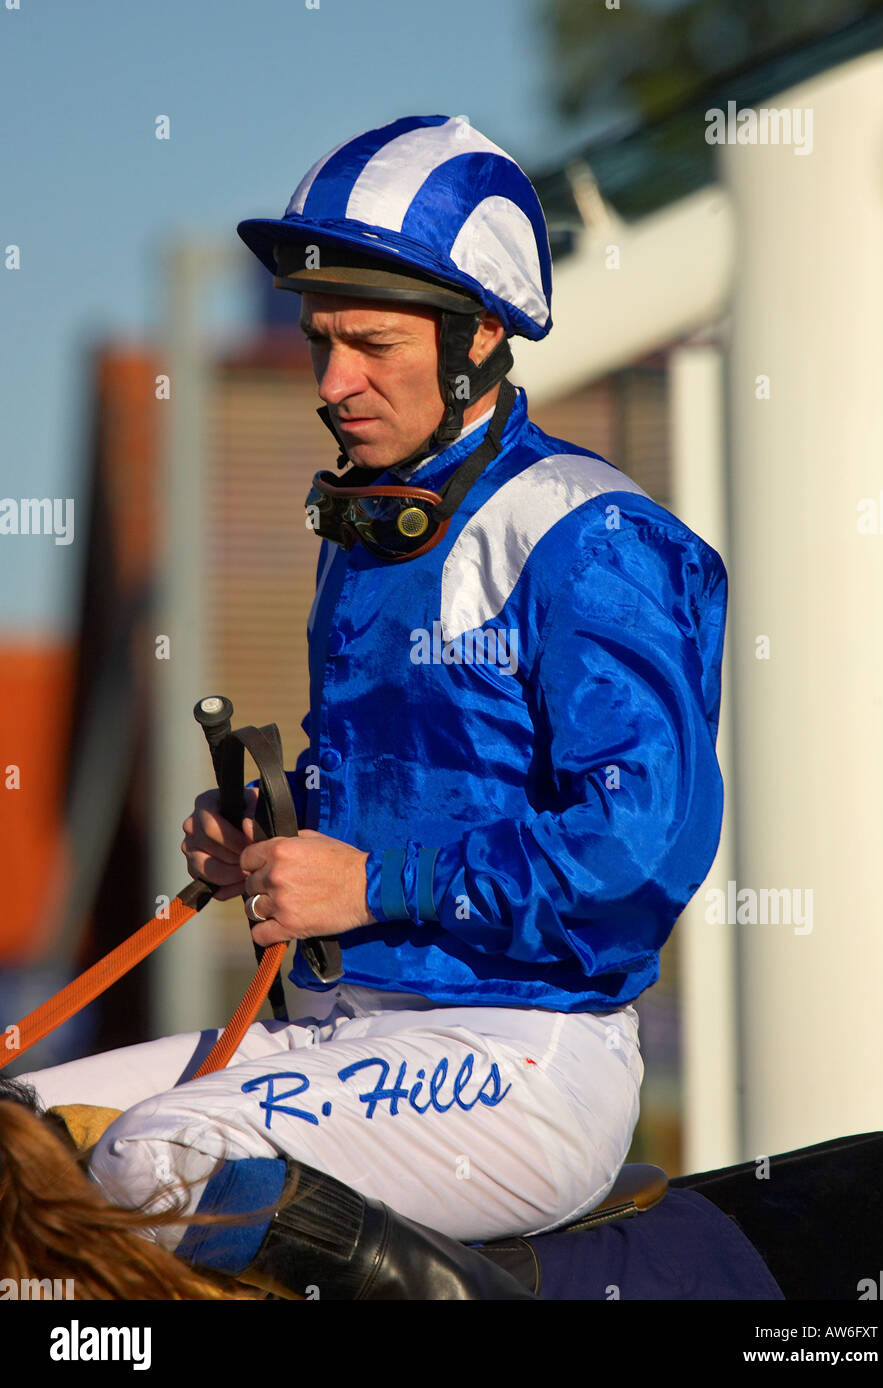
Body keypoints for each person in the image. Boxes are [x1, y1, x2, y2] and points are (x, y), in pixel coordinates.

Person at [18, 114, 727, 1295]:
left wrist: (371, 883)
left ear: (481, 336)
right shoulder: (364, 529)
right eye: (318, 341)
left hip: (527, 1056)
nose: (332, 382)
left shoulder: (589, 536)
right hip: (347, 1030)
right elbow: (403, 799)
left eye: (372, 345)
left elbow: (644, 848)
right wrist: (267, 838)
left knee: (160, 1158)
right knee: (17, 1140)